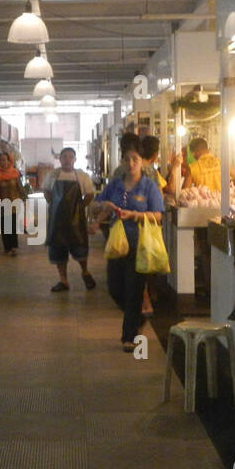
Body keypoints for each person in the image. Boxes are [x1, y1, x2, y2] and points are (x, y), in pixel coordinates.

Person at [95, 144, 164, 351]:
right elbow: (99, 204)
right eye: (127, 159)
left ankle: (129, 336)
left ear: (142, 162)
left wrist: (135, 215)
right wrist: (101, 209)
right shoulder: (115, 185)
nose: (131, 163)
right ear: (122, 162)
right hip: (117, 243)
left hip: (139, 244)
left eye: (135, 159)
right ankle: (136, 317)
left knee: (134, 289)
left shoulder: (149, 186)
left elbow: (158, 215)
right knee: (115, 288)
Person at [40, 147, 96, 292]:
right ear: (60, 159)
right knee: (58, 250)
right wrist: (54, 206)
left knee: (80, 247)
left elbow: (90, 194)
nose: (67, 159)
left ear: (75, 159)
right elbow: (46, 191)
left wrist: (80, 207)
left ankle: (85, 272)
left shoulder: (81, 176)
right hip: (57, 222)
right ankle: (63, 281)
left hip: (77, 220)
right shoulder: (53, 175)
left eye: (70, 156)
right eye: (64, 156)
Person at [0, 151, 22, 255]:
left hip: (14, 203)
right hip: (2, 204)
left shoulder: (15, 173)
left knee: (12, 225)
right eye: (1, 160)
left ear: (9, 161)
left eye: (5, 160)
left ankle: (14, 247)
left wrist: (24, 199)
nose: (3, 162)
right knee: (4, 226)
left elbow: (19, 187)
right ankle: (7, 247)